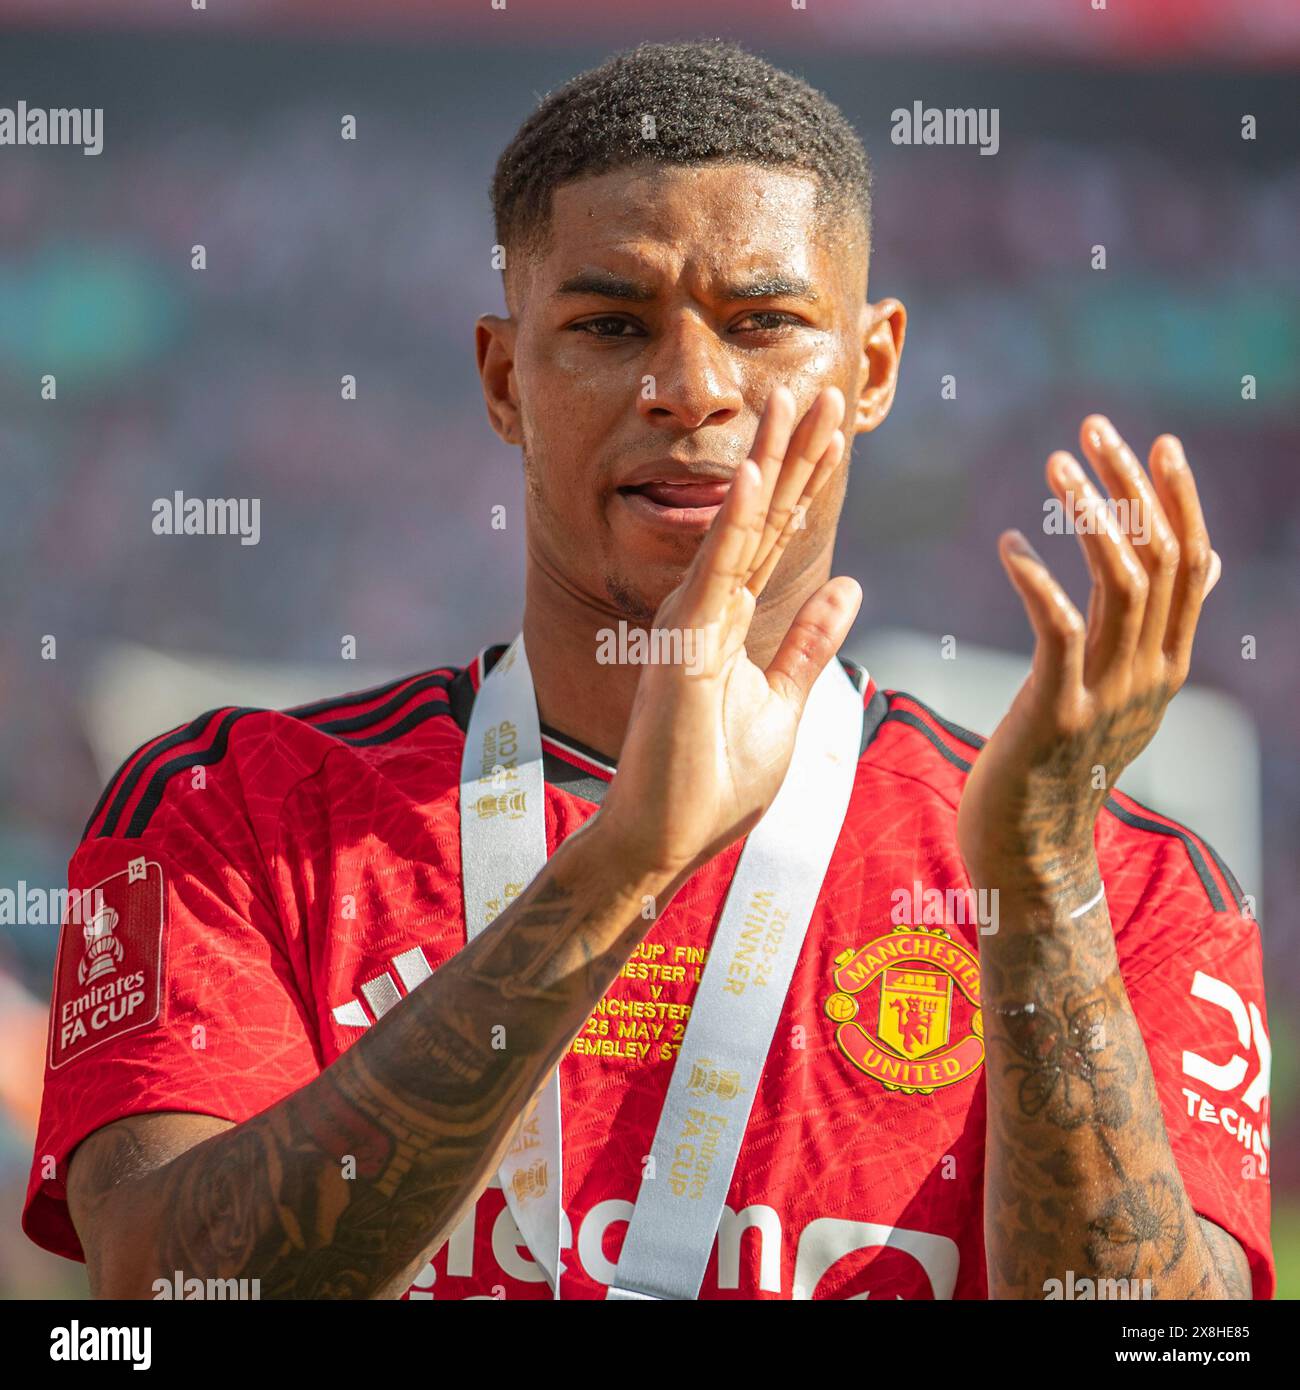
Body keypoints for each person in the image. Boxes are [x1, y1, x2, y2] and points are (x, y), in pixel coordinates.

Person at [24, 40, 1270, 1300]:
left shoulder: (1120, 878)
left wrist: (1042, 880)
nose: (688, 389)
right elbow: (153, 1302)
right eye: (610, 324)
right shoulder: (234, 810)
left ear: (876, 368)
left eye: (765, 323)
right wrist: (620, 863)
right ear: (506, 377)